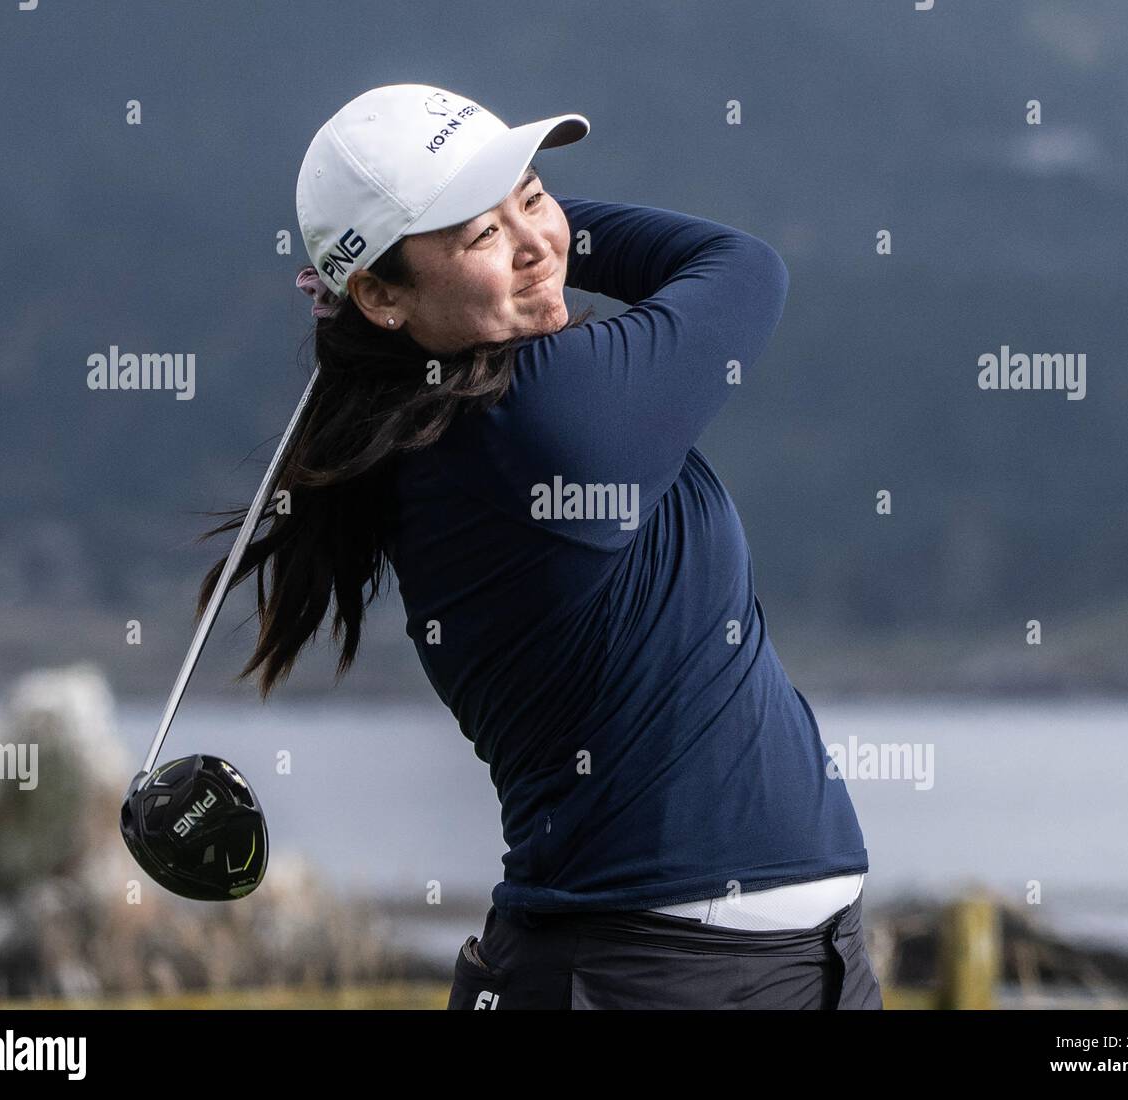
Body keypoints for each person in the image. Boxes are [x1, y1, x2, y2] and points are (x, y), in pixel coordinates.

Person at [200, 83, 881, 1009]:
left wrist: (449, 249)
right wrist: (513, 235)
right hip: (644, 979)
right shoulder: (545, 413)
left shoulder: (445, 411)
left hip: (795, 966)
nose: (537, 242)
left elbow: (537, 262)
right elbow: (739, 266)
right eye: (480, 234)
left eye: (535, 195)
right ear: (380, 296)